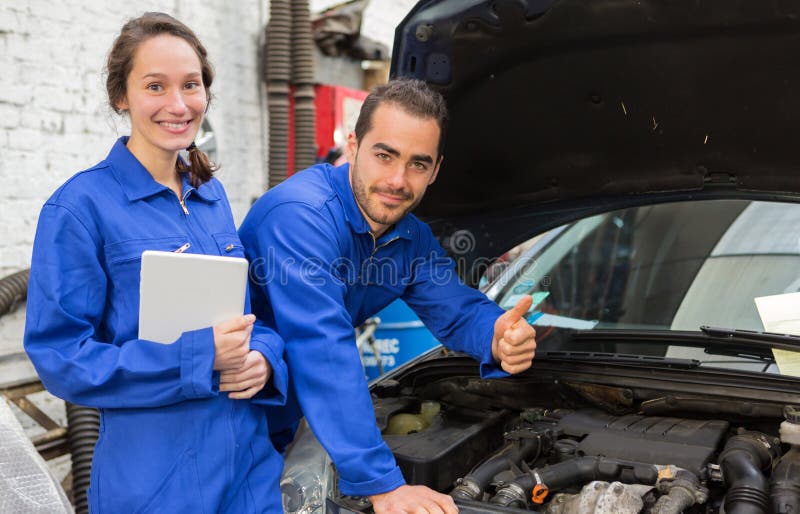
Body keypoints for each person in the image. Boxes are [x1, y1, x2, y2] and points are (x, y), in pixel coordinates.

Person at [24, 13, 287, 513]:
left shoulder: (212, 198)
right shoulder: (81, 207)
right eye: (155, 86)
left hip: (251, 478)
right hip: (157, 487)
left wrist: (263, 361)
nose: (178, 104)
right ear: (122, 97)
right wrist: (196, 357)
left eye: (191, 85)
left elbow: (254, 319)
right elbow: (60, 356)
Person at [239, 78, 537, 513]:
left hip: (286, 418)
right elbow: (323, 349)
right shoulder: (301, 218)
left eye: (418, 164)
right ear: (353, 145)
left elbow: (456, 310)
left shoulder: (408, 238)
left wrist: (497, 336)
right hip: (224, 418)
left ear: (436, 170)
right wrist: (383, 484)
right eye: (385, 155)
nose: (397, 180)